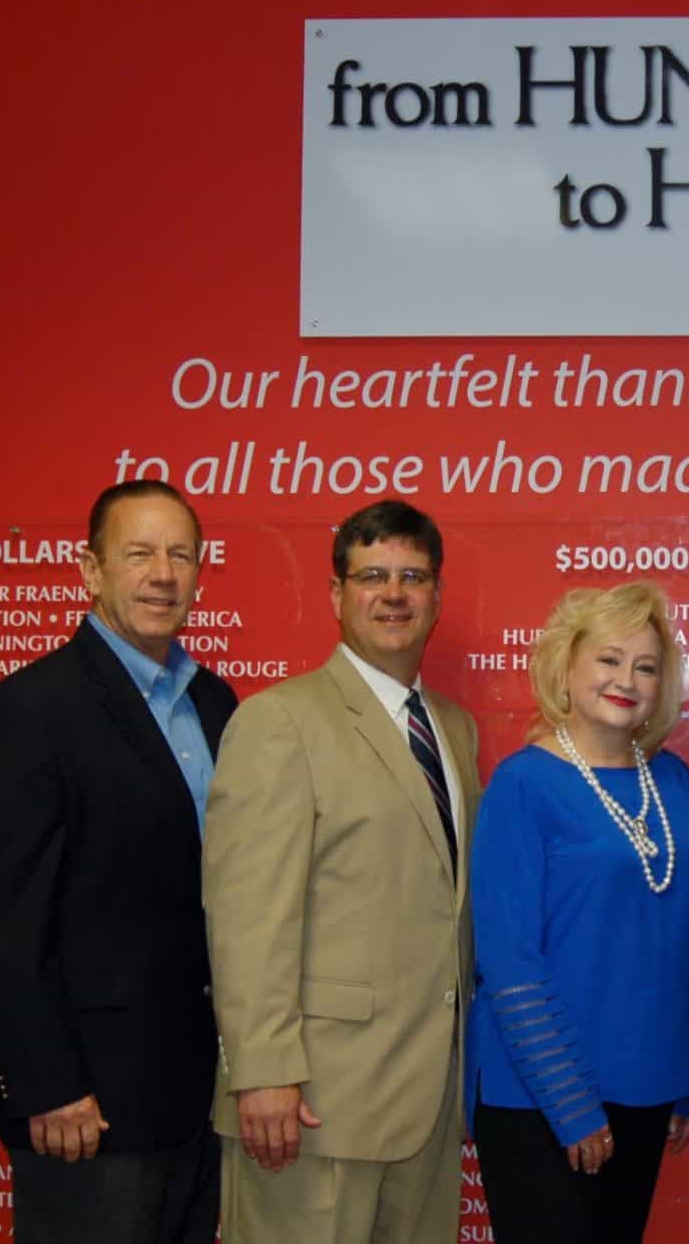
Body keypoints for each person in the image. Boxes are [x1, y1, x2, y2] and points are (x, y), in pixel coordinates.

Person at [0, 480, 237, 1244]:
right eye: (139, 553)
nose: (164, 574)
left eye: (182, 555)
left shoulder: (218, 705)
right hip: (87, 1107)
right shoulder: (31, 709)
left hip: (197, 1097)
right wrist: (50, 1086)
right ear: (90, 569)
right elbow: (1, 918)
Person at [202, 499, 479, 1242]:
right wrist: (261, 1070)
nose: (394, 593)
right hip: (313, 1104)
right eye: (373, 576)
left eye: (413, 576)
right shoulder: (278, 722)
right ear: (337, 594)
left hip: (429, 1103)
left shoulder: (454, 728)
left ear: (437, 596)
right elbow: (247, 914)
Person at [468, 581, 689, 1243]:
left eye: (646, 666)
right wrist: (570, 1103)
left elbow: (682, 943)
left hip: (648, 1085)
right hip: (543, 1097)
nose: (626, 679)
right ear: (565, 668)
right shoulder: (523, 783)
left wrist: (682, 1076)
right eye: (608, 659)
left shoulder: (672, 781)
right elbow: (509, 963)